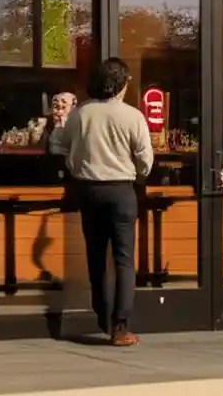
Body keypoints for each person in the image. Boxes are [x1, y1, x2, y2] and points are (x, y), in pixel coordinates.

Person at [57, 58, 153, 347]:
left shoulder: (81, 114)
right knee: (124, 259)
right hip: (122, 190)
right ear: (122, 84)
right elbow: (146, 161)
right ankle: (121, 327)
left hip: (89, 190)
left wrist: (76, 165)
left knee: (96, 258)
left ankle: (103, 317)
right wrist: (138, 174)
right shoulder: (132, 116)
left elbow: (60, 147)